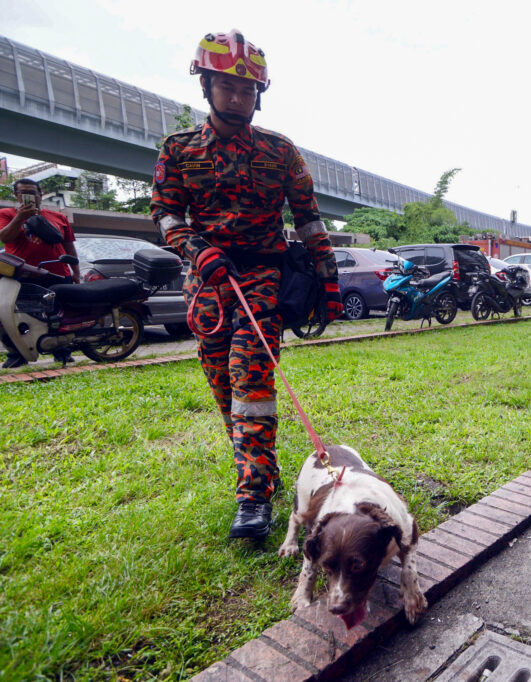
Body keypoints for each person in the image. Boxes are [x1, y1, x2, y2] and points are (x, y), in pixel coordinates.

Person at [151, 29, 343, 540]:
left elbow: (308, 218)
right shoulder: (178, 148)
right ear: (206, 87)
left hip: (263, 277)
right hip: (208, 283)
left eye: (248, 90)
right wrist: (195, 250)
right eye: (227, 88)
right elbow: (165, 214)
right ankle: (256, 466)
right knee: (222, 385)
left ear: (259, 94)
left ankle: (253, 496)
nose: (238, 98)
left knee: (251, 378)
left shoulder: (280, 151)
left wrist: (327, 279)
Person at [0, 178, 81, 368]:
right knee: (13, 315)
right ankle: (16, 354)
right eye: (23, 193)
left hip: (57, 274)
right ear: (16, 196)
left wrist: (76, 271)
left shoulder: (58, 217)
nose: (29, 196)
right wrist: (20, 218)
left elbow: (69, 246)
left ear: (40, 195)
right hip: (22, 276)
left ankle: (62, 351)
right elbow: (4, 238)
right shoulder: (7, 214)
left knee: (59, 314)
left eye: (32, 193)